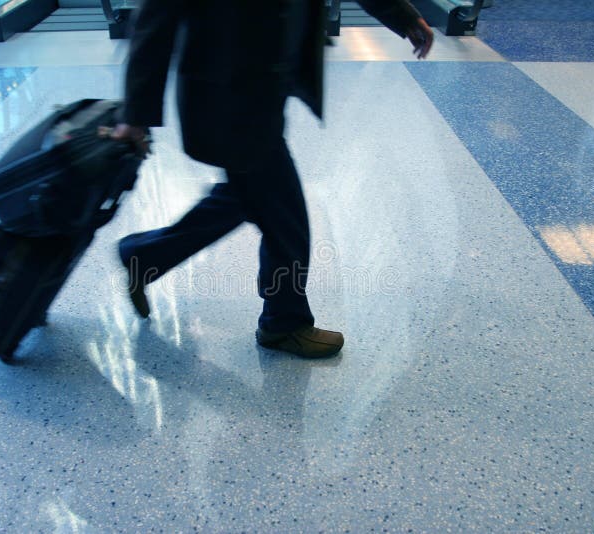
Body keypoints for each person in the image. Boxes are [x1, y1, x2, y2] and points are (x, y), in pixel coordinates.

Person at [113, 0, 433, 358]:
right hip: (225, 97)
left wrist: (401, 15)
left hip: (263, 88)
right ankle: (284, 323)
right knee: (285, 217)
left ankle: (143, 255)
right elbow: (156, 15)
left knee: (247, 198)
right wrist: (136, 112)